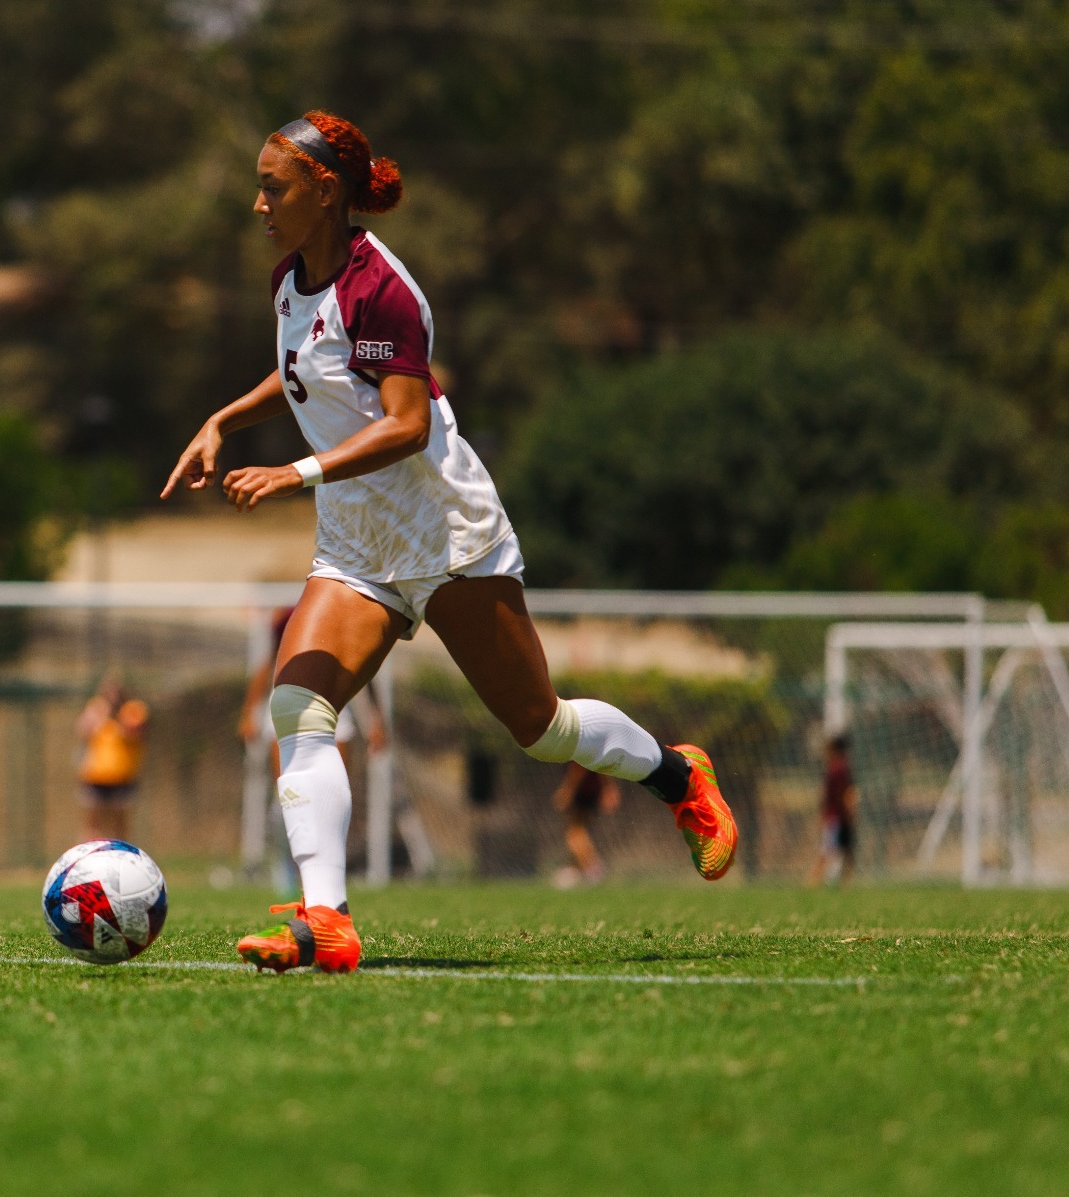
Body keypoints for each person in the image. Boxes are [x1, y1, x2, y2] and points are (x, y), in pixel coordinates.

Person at [162, 111, 739, 974]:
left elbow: (405, 423)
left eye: (271, 186)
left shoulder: (384, 288)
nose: (257, 204)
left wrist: (296, 473)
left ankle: (677, 775)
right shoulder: (290, 280)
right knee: (299, 709)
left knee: (540, 728)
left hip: (443, 534)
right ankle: (328, 922)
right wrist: (223, 419)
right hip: (356, 544)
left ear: (325, 191)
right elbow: (305, 372)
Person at [77, 678, 149, 842]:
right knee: (92, 823)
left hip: (122, 776)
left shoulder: (132, 711)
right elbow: (83, 730)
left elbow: (135, 734)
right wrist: (99, 714)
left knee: (120, 822)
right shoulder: (97, 710)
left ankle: (121, 853)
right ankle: (89, 855)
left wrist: (117, 717)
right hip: (95, 776)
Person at [552, 765, 619, 888]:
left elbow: (578, 768)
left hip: (582, 789)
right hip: (591, 788)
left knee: (573, 833)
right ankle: (577, 869)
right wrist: (609, 787)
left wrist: (568, 790)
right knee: (579, 828)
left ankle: (593, 868)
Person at [809, 734, 858, 887]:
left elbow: (837, 794)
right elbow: (847, 793)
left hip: (836, 816)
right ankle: (813, 882)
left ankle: (841, 884)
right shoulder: (840, 768)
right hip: (837, 817)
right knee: (831, 850)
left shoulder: (836, 768)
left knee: (843, 851)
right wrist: (851, 812)